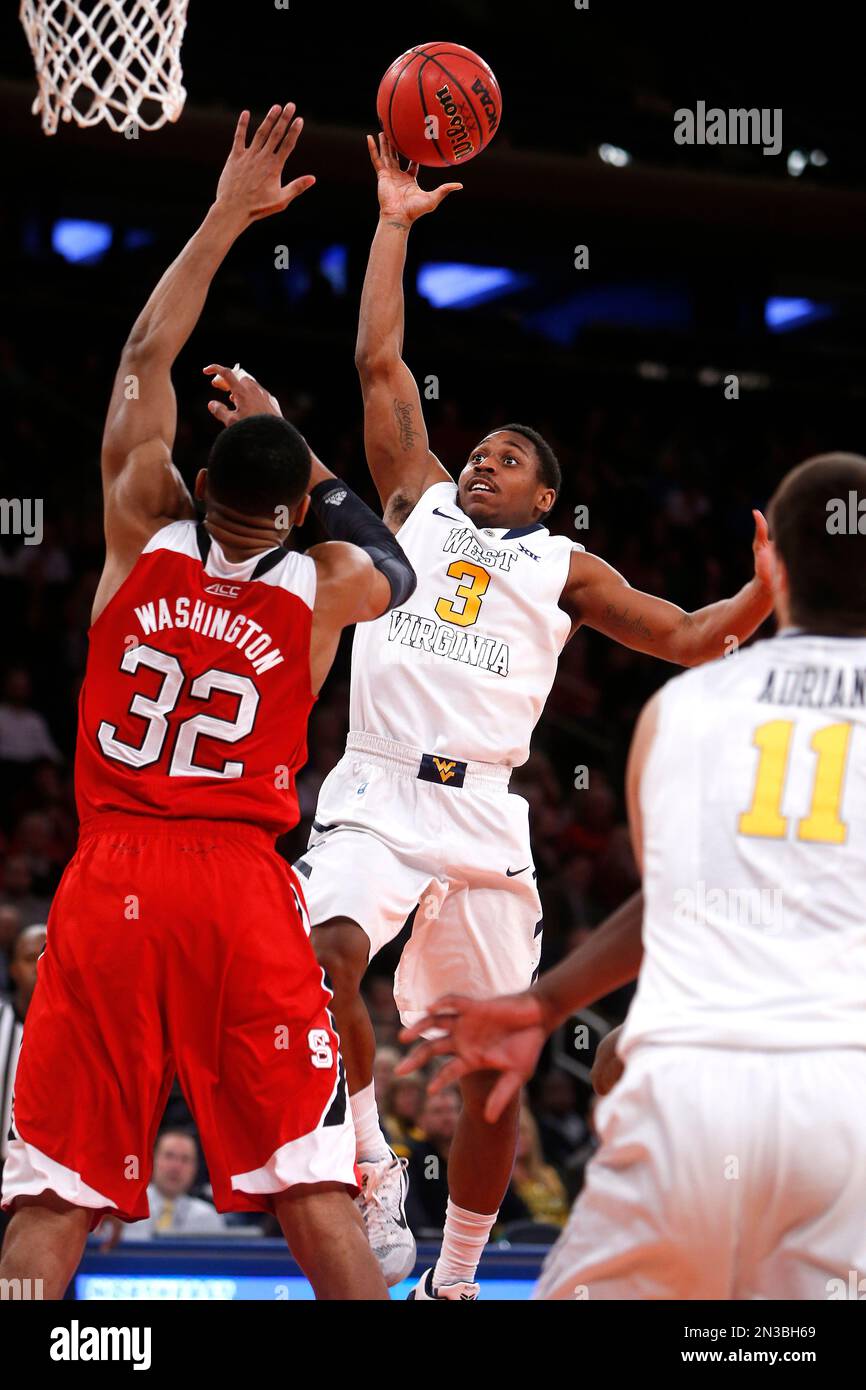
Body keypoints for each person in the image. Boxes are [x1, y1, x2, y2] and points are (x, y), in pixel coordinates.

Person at [293, 132, 776, 1299]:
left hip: (486, 816)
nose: (484, 463)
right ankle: (366, 1167)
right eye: (482, 449)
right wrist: (394, 224)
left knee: (491, 1071)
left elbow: (682, 635)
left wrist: (766, 590)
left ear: (546, 495)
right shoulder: (411, 502)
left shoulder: (565, 566)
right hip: (373, 784)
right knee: (325, 956)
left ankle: (454, 1282)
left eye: (508, 459)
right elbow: (376, 368)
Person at [0, 104, 418, 1302]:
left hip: (114, 870)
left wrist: (227, 212)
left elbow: (143, 359)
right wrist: (300, 451)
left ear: (194, 479)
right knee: (308, 1185)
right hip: (238, 884)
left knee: (53, 1192)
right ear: (291, 509)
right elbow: (390, 561)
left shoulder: (138, 528)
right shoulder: (322, 587)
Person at [401, 452, 866, 1300]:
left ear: (774, 559)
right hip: (848, 1102)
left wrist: (546, 1004)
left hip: (698, 1094)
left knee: (618, 1063)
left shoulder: (687, 711)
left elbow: (679, 899)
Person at [0, 925, 47, 1248]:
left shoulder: (82, 1031)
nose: (41, 965)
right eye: (32, 958)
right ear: (14, 970)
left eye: (48, 955)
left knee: (23, 1284)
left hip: (42, 1180)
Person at [119, 1130, 229, 1241]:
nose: (175, 1167)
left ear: (195, 1168)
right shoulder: (123, 1208)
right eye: (169, 1156)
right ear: (152, 1160)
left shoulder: (208, 1218)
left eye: (185, 1159)